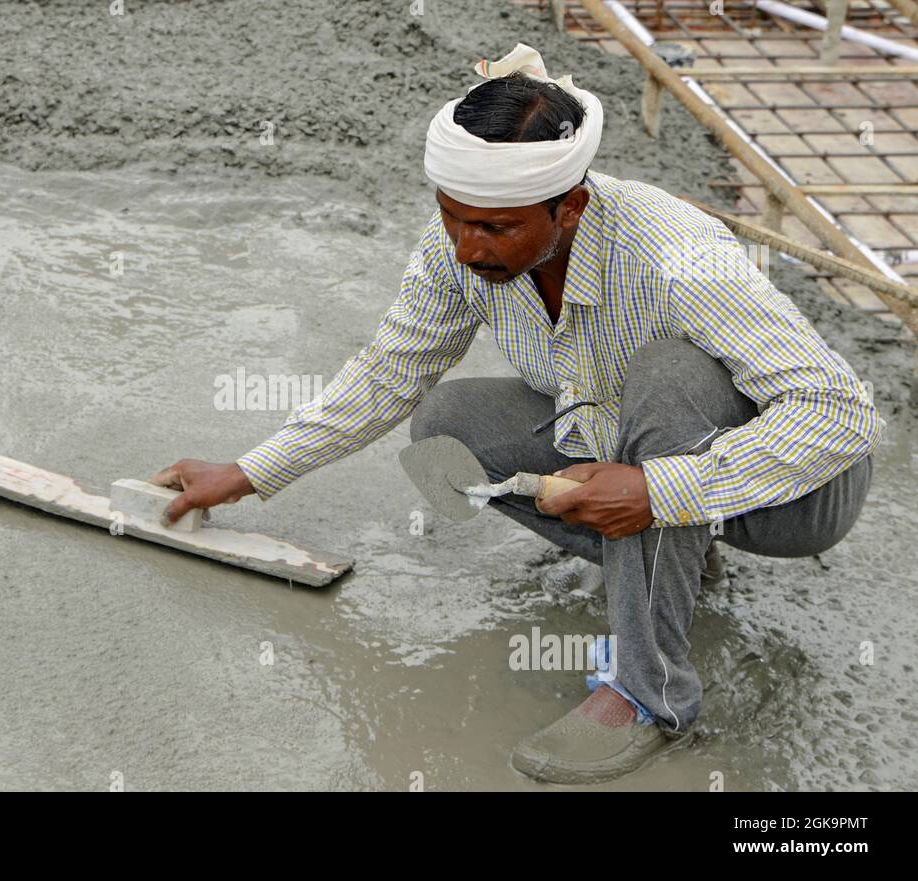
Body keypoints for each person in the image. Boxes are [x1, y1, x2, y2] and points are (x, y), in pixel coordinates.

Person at [150, 44, 883, 784]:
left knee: (669, 374)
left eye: (496, 228)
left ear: (569, 206)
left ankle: (650, 692)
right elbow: (387, 372)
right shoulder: (457, 251)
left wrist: (662, 493)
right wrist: (248, 473)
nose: (469, 247)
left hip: (800, 494)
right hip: (640, 452)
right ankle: (671, 560)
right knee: (442, 429)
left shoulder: (676, 254)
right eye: (452, 218)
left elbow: (841, 413)